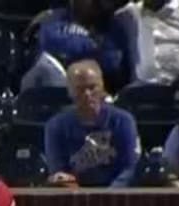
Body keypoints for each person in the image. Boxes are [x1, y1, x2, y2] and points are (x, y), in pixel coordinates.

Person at [44, 60, 139, 188]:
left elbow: (129, 167)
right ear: (70, 91)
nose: (87, 94)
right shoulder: (56, 126)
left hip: (115, 195)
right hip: (74, 197)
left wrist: (108, 195)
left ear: (102, 86)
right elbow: (58, 170)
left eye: (92, 87)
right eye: (80, 89)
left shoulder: (123, 121)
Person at [26, 0, 142, 93]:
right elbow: (49, 46)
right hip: (54, 91)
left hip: (96, 95)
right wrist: (91, 49)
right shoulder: (52, 18)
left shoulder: (113, 26)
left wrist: (72, 54)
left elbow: (112, 61)